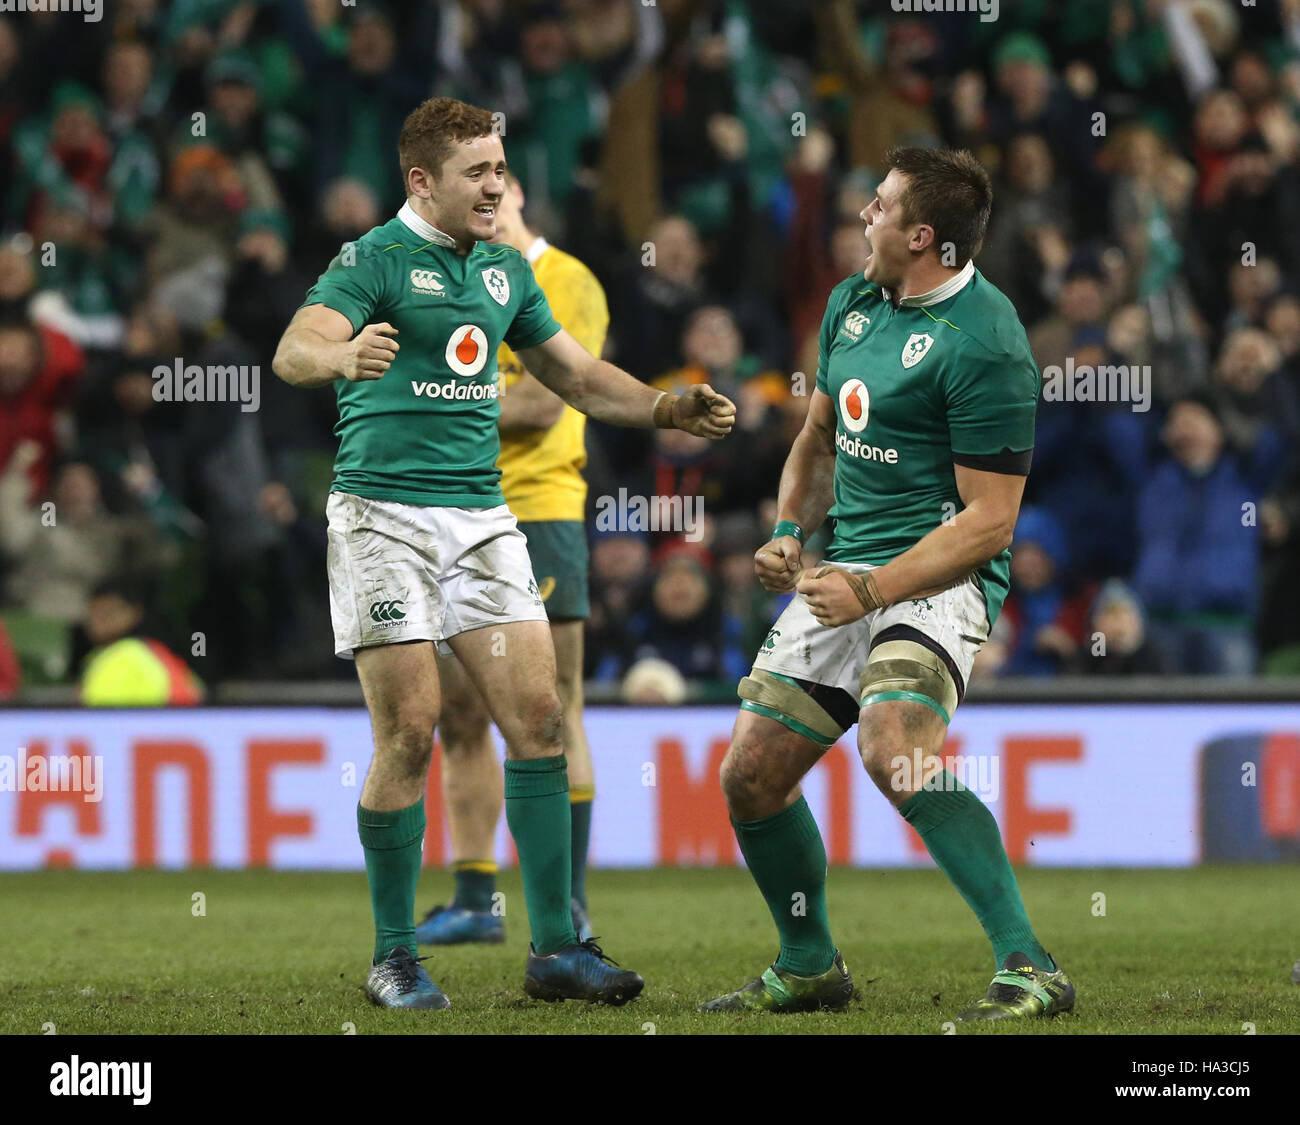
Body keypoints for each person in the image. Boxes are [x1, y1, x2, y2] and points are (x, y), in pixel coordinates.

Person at [272, 97, 735, 1011]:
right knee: (410, 730)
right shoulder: (373, 259)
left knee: (542, 721)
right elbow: (293, 347)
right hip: (385, 520)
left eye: (500, 168)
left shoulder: (502, 272)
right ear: (422, 181)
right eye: (478, 172)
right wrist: (341, 358)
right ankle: (395, 956)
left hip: (483, 519)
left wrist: (665, 406)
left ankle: (558, 948)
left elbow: (574, 375)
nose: (497, 187)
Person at [703, 146, 1073, 1021]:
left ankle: (1030, 964)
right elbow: (816, 440)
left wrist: (872, 592)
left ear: (921, 236)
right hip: (843, 575)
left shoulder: (989, 343)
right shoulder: (852, 302)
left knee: (894, 745)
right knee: (749, 775)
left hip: (939, 577)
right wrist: (790, 534)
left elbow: (990, 522)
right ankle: (808, 965)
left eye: (877, 206)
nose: (860, 217)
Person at [414, 169, 607, 947]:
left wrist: (435, 398)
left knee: (553, 704)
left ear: (519, 190)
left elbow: (542, 403)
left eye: (496, 187)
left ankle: (570, 901)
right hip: (451, 510)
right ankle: (473, 898)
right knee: (457, 711)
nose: (486, 204)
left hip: (540, 509)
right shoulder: (450, 281)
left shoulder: (568, 281)